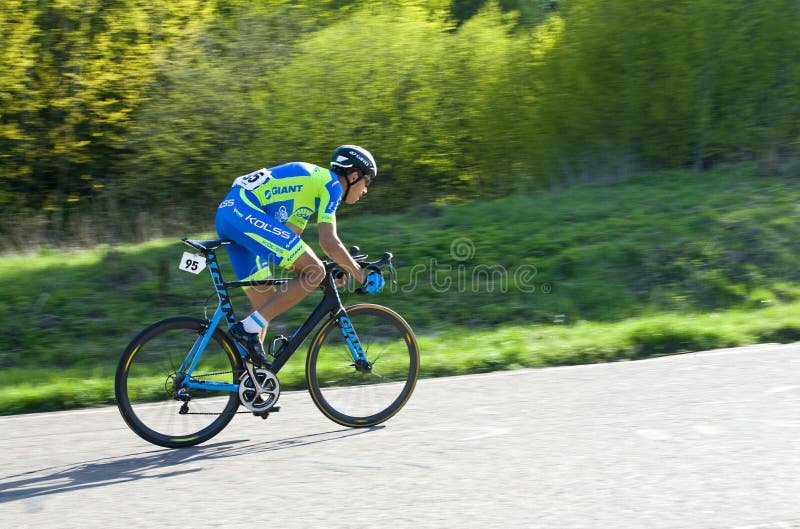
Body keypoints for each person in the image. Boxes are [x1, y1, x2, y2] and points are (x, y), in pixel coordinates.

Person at [215, 145, 385, 366]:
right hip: (244, 212)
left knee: (266, 300)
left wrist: (328, 271)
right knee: (313, 271)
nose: (365, 190)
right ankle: (247, 330)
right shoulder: (332, 185)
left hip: (230, 215)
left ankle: (249, 377)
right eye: (367, 181)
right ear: (353, 176)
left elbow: (290, 241)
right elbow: (328, 241)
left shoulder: (310, 192)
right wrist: (361, 275)